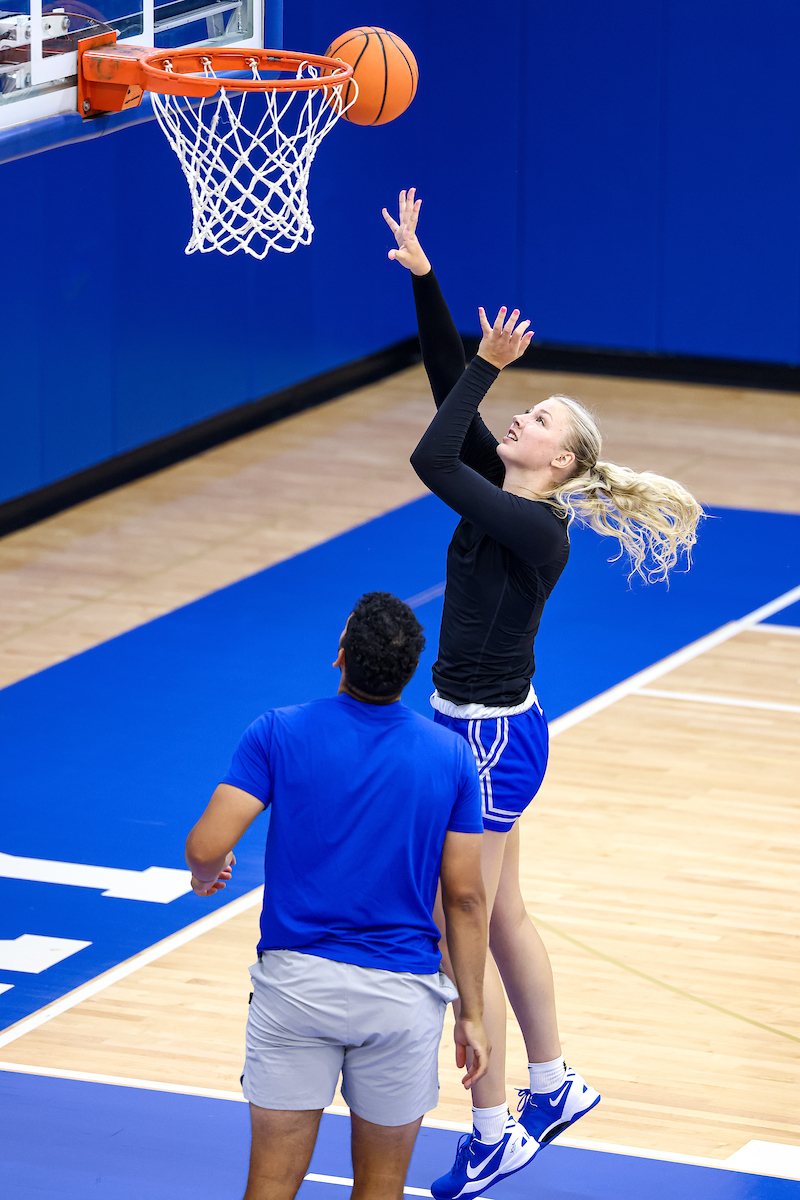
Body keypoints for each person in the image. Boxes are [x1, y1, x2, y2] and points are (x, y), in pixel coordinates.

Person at [382, 190, 704, 1200]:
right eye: (523, 410)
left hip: (484, 741)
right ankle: (552, 1086)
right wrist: (427, 284)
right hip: (474, 728)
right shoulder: (505, 487)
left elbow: (429, 449)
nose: (516, 416)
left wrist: (489, 363)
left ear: (556, 462)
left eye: (536, 418)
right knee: (498, 911)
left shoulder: (537, 526)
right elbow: (448, 395)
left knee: (458, 919)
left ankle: (490, 1128)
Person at [185, 591, 497, 1200]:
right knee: (380, 1190)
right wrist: (473, 1015)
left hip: (295, 991)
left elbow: (206, 846)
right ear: (411, 673)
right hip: (401, 1000)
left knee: (270, 1186)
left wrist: (205, 871)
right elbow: (464, 899)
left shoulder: (276, 733)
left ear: (341, 656)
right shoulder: (453, 757)